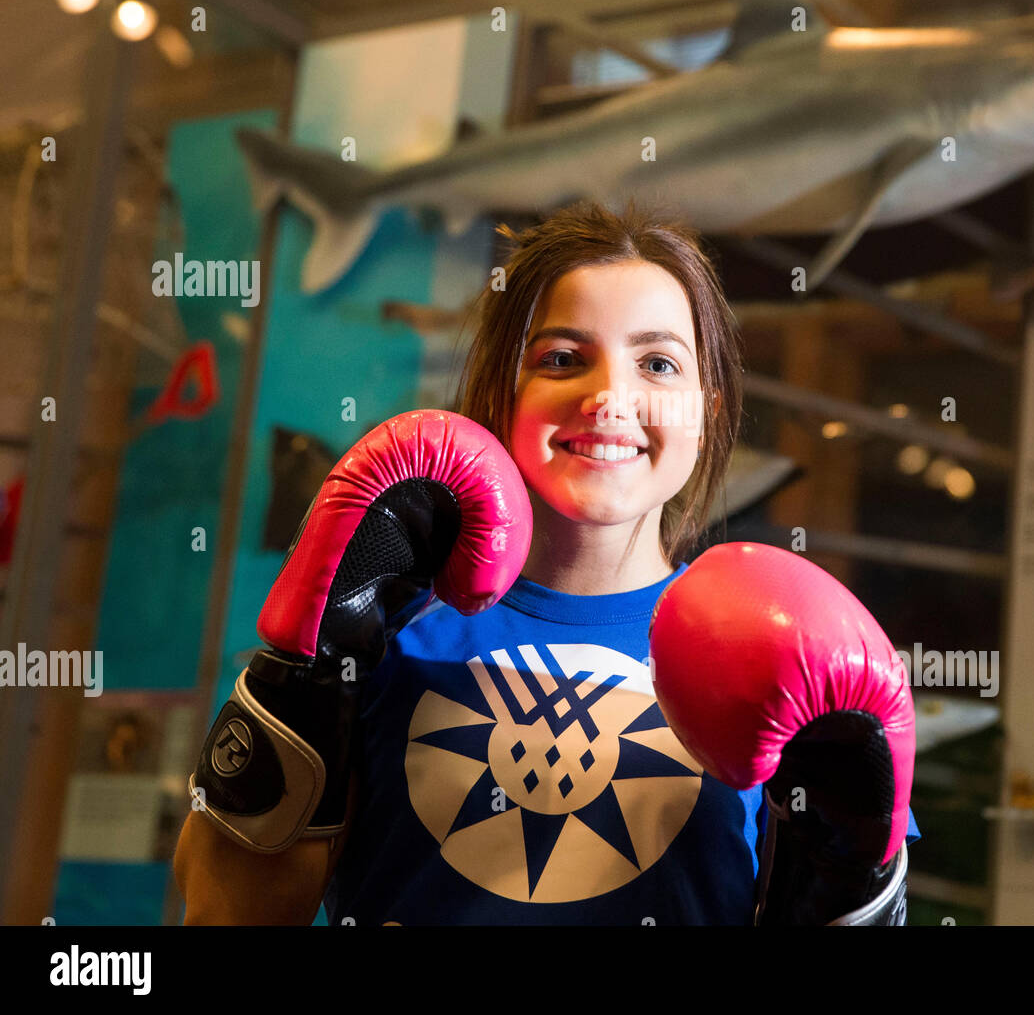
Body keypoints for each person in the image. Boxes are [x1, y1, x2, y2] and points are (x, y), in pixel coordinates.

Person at [173, 199, 919, 925]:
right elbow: (224, 913)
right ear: (505, 391)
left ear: (708, 411)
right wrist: (309, 666)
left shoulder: (781, 658)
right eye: (563, 358)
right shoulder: (392, 629)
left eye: (658, 363)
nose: (609, 396)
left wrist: (846, 883)